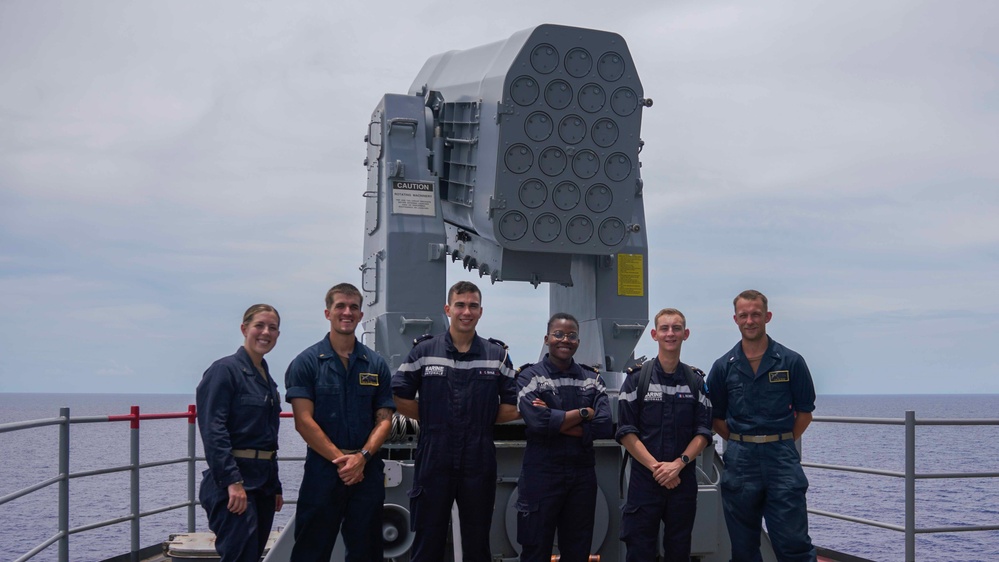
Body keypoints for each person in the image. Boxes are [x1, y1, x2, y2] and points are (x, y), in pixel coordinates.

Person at [391, 280, 519, 562]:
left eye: (473, 306)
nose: (466, 311)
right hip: (434, 454)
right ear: (448, 309)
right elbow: (398, 396)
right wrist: (432, 416)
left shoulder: (496, 356)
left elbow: (513, 407)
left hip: (478, 456)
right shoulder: (425, 352)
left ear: (481, 311)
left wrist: (480, 417)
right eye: (460, 305)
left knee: (477, 541)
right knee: (427, 538)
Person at [284, 283, 395, 561]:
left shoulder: (375, 364)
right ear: (327, 313)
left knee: (367, 551)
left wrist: (362, 458)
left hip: (366, 471)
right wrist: (343, 461)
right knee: (312, 549)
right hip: (324, 471)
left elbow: (384, 420)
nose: (347, 312)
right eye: (340, 307)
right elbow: (303, 421)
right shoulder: (307, 363)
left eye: (353, 307)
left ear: (360, 315)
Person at [707, 290, 817, 562]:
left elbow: (805, 412)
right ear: (735, 319)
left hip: (781, 460)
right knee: (743, 550)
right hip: (741, 461)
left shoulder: (791, 362)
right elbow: (715, 417)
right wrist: (739, 441)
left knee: (794, 545)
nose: (750, 320)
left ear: (767, 316)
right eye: (743, 315)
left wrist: (781, 439)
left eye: (756, 314)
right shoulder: (723, 367)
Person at [616, 307, 712, 561]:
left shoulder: (695, 381)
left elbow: (703, 431)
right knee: (639, 550)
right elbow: (626, 431)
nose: (671, 334)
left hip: (682, 480)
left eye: (676, 328)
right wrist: (658, 469)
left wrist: (678, 465)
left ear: (685, 334)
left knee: (679, 550)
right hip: (645, 481)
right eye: (665, 329)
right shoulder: (637, 380)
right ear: (655, 334)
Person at [515, 312, 613, 561]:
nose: (565, 340)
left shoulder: (592, 380)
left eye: (571, 336)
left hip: (581, 475)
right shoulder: (530, 376)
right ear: (547, 338)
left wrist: (555, 419)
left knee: (578, 548)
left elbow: (603, 425)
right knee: (535, 546)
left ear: (578, 342)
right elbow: (537, 422)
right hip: (541, 472)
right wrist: (583, 413)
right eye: (558, 334)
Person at [196, 304, 284, 562]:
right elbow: (214, 430)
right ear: (244, 329)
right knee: (239, 556)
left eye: (273, 327)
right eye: (259, 325)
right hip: (234, 482)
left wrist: (275, 484)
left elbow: (268, 437)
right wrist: (232, 482)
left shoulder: (267, 378)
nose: (265, 332)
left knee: (252, 555)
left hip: (263, 483)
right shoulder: (225, 371)